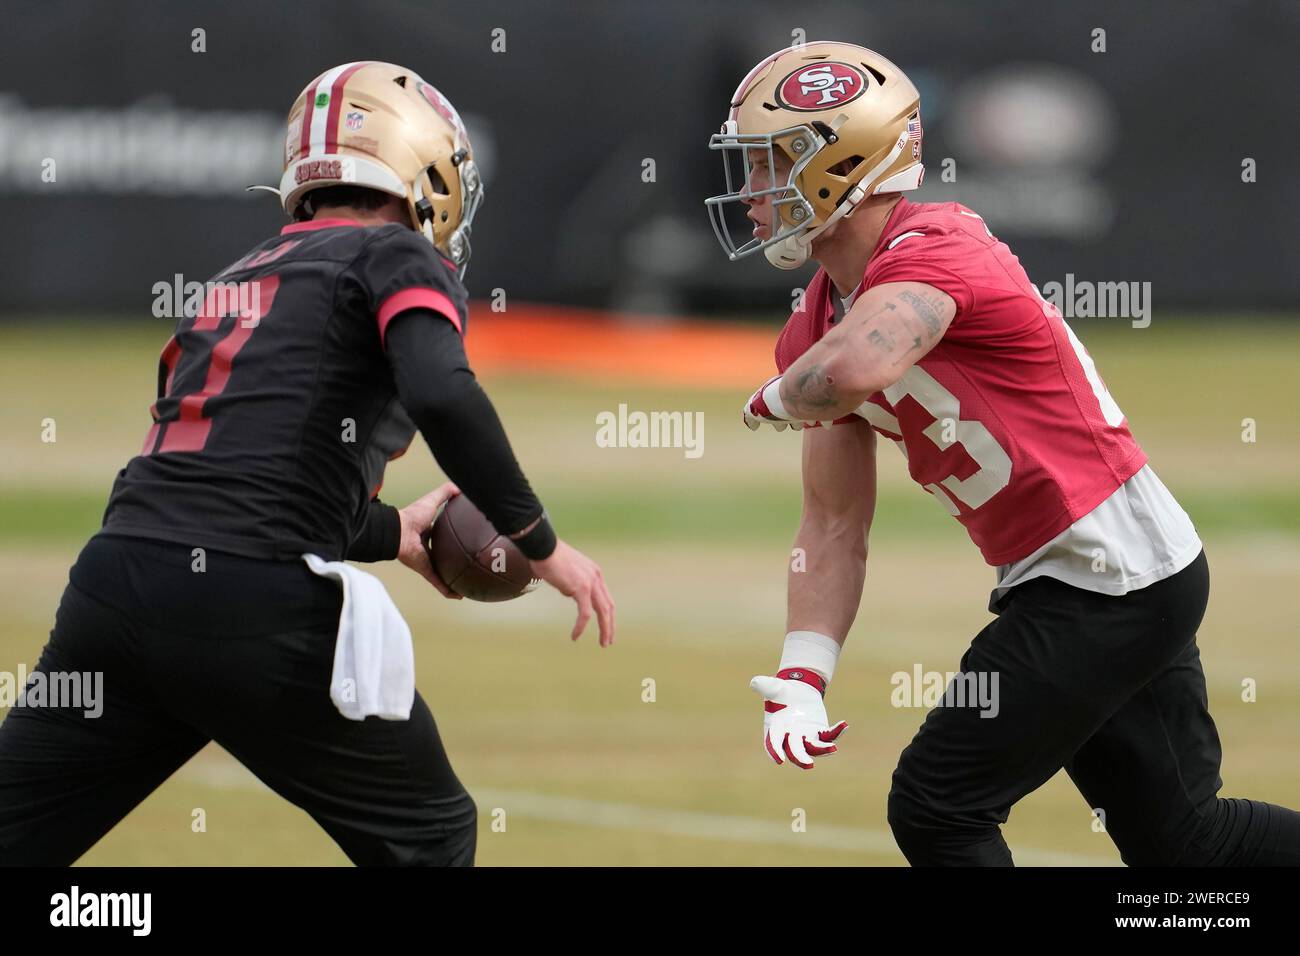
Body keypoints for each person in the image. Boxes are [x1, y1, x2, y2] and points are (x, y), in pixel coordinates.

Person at [0, 60, 614, 866]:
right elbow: (443, 393)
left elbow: (227, 476)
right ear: (422, 170)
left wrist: (392, 533)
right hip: (247, 603)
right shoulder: (395, 254)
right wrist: (540, 541)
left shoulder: (235, 278)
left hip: (113, 588)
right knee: (432, 835)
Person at [708, 41, 1299, 865]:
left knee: (938, 806)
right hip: (1090, 575)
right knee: (1187, 847)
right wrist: (803, 672)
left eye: (771, 163)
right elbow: (833, 523)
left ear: (842, 164)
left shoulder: (939, 245)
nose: (750, 190)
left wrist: (773, 398)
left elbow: (853, 371)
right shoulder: (814, 328)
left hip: (1107, 574)